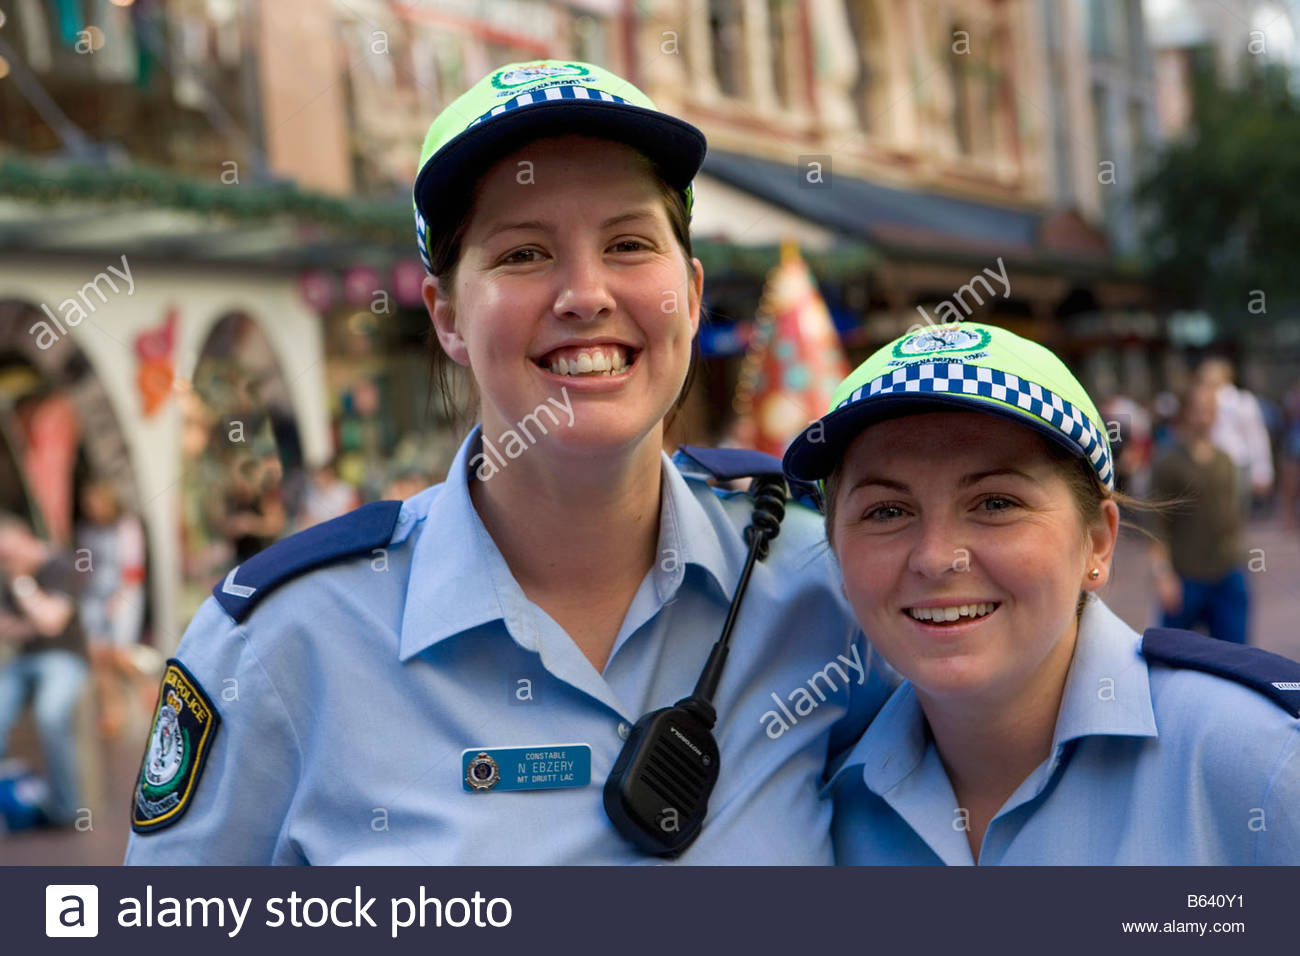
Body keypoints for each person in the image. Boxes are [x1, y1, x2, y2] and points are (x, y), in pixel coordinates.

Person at [124, 60, 894, 865]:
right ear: (447, 317)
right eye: (524, 254)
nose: (585, 294)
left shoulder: (825, 583)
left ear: (692, 295)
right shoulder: (281, 645)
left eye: (629, 243)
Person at [783, 323, 1300, 865]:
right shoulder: (816, 803)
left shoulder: (1260, 761)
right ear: (838, 554)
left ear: (1097, 542)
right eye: (886, 512)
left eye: (996, 503)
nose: (937, 558)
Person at [0, 514, 89, 828]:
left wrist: (23, 586)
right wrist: (28, 617)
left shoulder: (59, 566)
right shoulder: (12, 573)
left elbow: (51, 623)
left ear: (25, 537)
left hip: (64, 657)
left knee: (49, 715)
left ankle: (65, 810)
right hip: (24, 661)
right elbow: (13, 625)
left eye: (8, 554)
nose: (5, 561)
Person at [1148, 385, 1250, 645]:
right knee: (1173, 654)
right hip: (1186, 576)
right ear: (1185, 412)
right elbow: (1156, 524)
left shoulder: (1225, 460)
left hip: (1227, 572)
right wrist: (1163, 576)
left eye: (1210, 409)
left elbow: (1233, 516)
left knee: (1235, 656)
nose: (1205, 416)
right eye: (1198, 409)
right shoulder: (1167, 462)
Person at [76, 479, 148, 737]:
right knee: (99, 657)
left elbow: (133, 569)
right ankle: (113, 710)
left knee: (119, 655)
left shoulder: (126, 528)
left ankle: (147, 688)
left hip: (123, 595)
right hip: (93, 598)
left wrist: (118, 600)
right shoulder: (87, 531)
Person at [1197, 357, 1273, 520]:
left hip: (1235, 461)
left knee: (1232, 513)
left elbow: (1255, 436)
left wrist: (1262, 470)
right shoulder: (1200, 401)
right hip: (1208, 462)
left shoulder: (1240, 401)